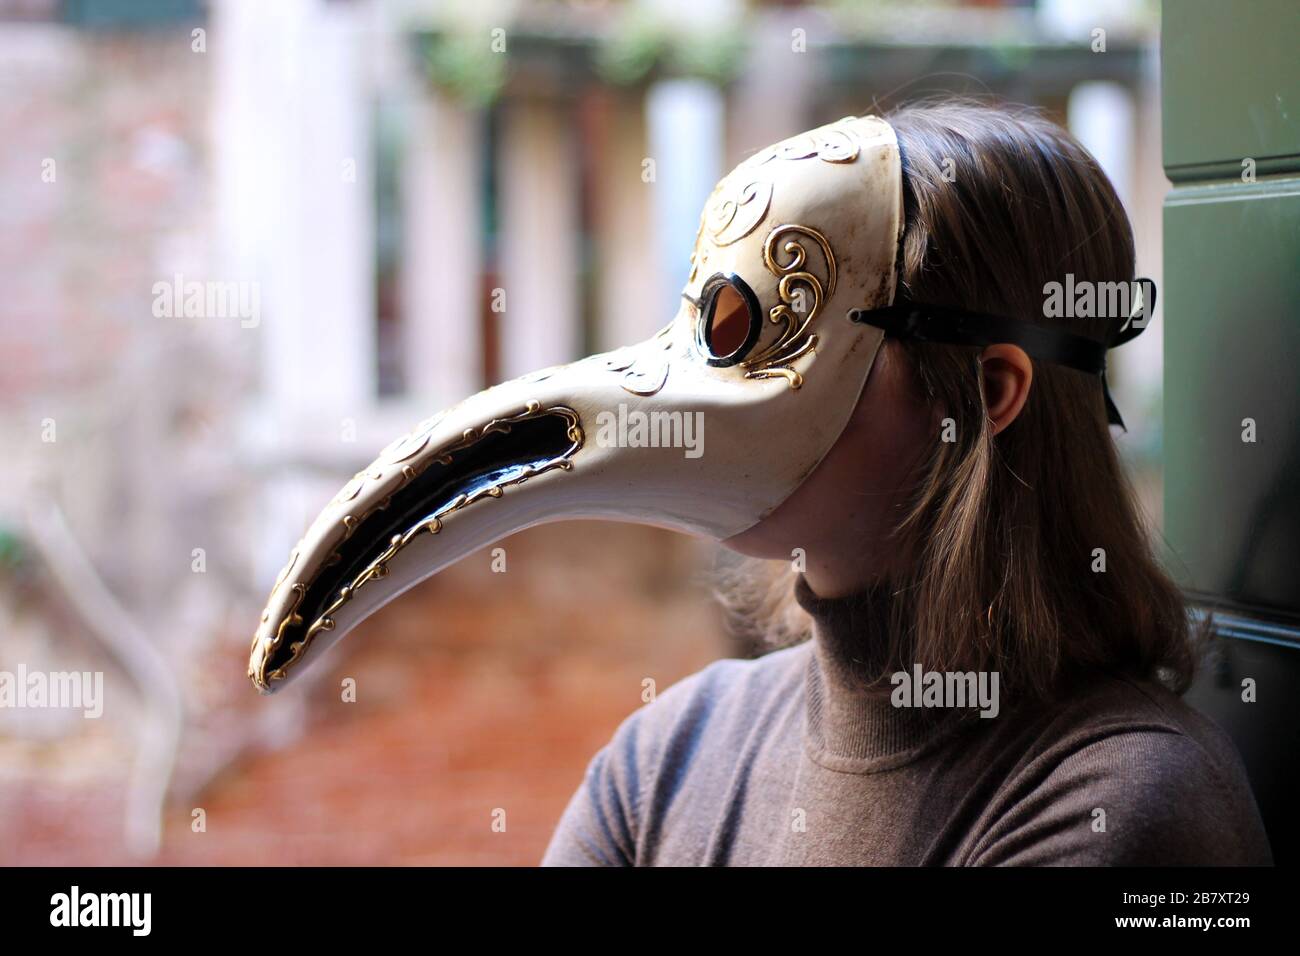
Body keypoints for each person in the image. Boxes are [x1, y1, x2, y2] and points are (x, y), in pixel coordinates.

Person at [540, 102, 1272, 866]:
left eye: (792, 324)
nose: (718, 365)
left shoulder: (1119, 804)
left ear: (988, 392)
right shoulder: (664, 759)